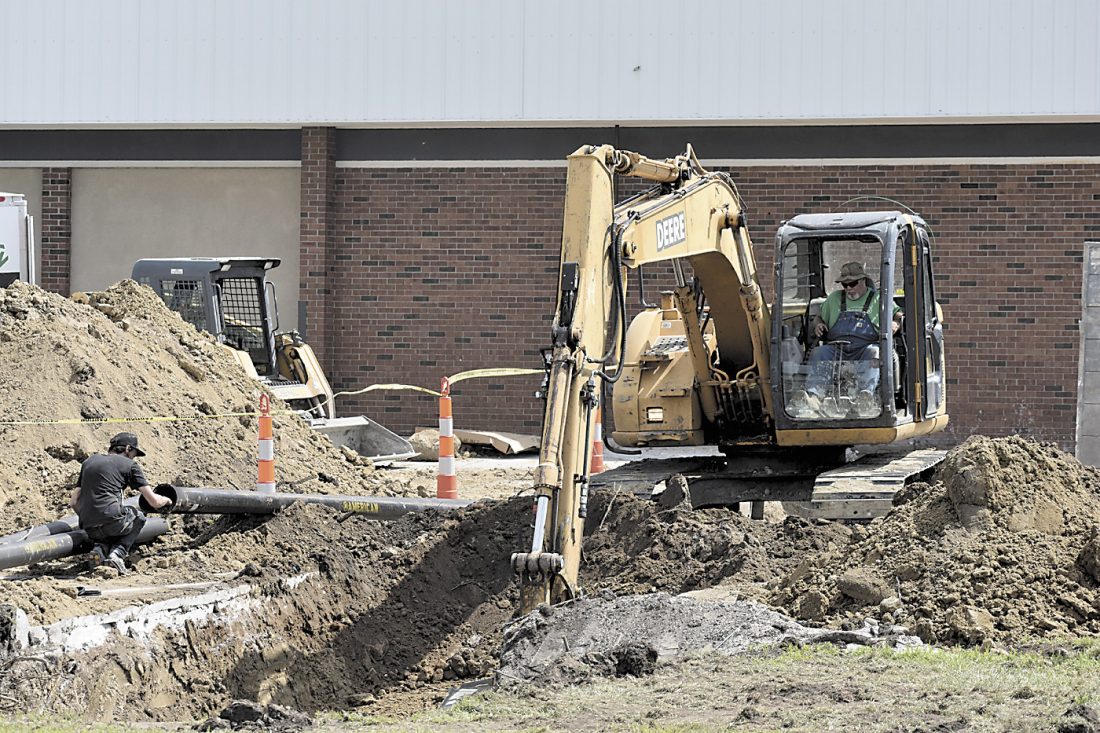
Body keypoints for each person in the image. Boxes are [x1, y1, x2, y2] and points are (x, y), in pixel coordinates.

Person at [792, 262, 902, 417]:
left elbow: (898, 314)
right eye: (845, 285)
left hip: (865, 348)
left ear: (863, 280)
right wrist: (819, 324)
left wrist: (895, 323)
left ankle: (865, 397)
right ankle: (814, 397)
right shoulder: (834, 299)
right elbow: (818, 317)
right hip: (837, 349)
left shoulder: (878, 299)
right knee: (819, 352)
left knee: (875, 352)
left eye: (852, 284)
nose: (848, 288)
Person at [69, 432, 171, 575]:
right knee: (137, 516)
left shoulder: (89, 462)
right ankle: (118, 554)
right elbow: (154, 501)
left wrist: (90, 517)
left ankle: (100, 548)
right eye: (134, 454)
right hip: (112, 521)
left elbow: (74, 501)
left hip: (88, 526)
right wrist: (167, 500)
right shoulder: (129, 465)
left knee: (110, 525)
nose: (134, 458)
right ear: (128, 448)